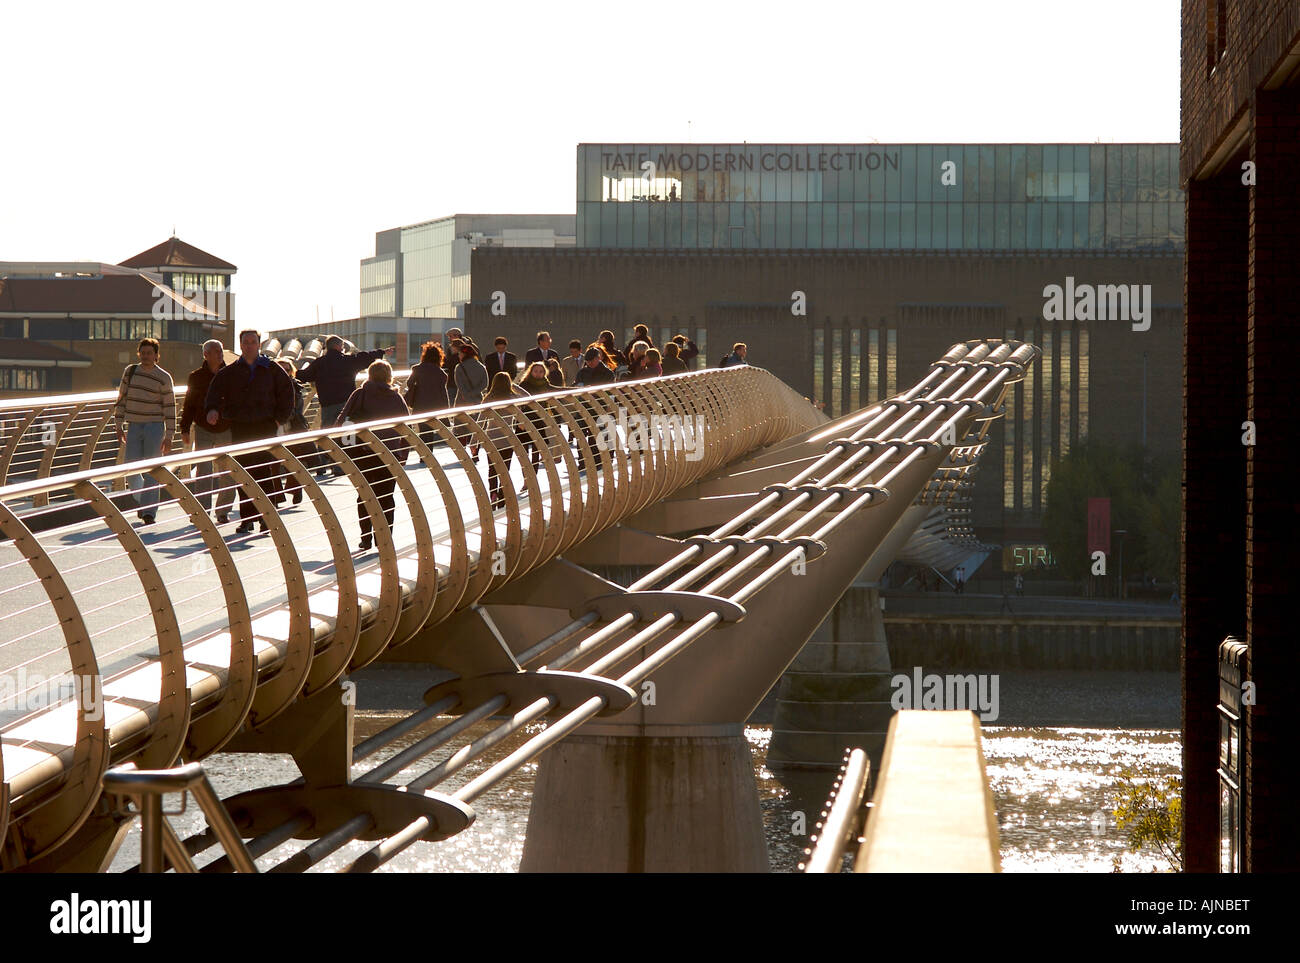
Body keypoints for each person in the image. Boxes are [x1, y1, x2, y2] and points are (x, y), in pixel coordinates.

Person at [204, 329, 294, 534]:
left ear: (259, 345)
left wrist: (280, 418)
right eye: (246, 342)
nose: (249, 345)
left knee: (262, 472)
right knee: (243, 473)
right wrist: (212, 410)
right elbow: (214, 393)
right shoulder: (231, 372)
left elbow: (287, 393)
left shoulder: (272, 369)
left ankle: (266, 518)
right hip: (241, 426)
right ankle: (247, 519)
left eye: (253, 342)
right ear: (241, 345)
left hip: (265, 425)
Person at [336, 360, 411, 552]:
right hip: (389, 454)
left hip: (363, 452)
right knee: (386, 496)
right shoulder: (396, 398)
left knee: (365, 495)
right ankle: (384, 539)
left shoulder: (360, 394)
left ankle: (366, 537)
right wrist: (403, 453)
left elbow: (341, 421)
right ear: (389, 376)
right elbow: (406, 428)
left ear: (369, 375)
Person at [297, 335, 392, 478]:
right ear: (339, 346)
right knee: (345, 437)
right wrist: (382, 352)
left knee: (326, 435)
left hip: (327, 404)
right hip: (347, 405)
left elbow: (304, 376)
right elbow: (365, 357)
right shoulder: (348, 361)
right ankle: (339, 466)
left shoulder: (319, 363)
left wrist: (292, 371)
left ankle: (320, 465)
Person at [113, 337, 176, 525]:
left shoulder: (164, 377)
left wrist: (170, 436)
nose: (146, 356)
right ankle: (143, 501)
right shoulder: (130, 372)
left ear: (157, 356)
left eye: (150, 353)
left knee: (151, 471)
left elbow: (170, 407)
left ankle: (149, 512)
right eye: (143, 353)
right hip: (134, 425)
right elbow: (121, 399)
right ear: (139, 354)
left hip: (155, 427)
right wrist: (118, 424)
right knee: (130, 468)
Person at [181, 339, 234, 523]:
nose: (219, 354)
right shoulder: (196, 377)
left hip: (226, 428)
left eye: (220, 351)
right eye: (215, 352)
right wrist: (185, 427)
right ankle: (202, 512)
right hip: (203, 428)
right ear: (206, 355)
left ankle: (223, 511)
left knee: (227, 471)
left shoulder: (230, 374)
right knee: (203, 470)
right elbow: (189, 404)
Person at [479, 371, 528, 509]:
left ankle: (493, 493)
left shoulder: (488, 398)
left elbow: (481, 420)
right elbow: (527, 397)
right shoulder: (511, 397)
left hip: (491, 439)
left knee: (492, 469)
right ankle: (501, 496)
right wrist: (514, 386)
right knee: (505, 470)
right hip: (507, 439)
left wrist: (474, 442)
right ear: (508, 383)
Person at [270, 359, 313, 506]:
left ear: (291, 371)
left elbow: (297, 411)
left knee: (294, 460)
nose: (284, 373)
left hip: (291, 428)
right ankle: (276, 496)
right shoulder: (268, 386)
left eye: (287, 370)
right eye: (280, 369)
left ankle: (296, 488)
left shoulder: (296, 387)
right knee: (273, 464)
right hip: (274, 429)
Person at [453, 341, 489, 455]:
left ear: (464, 354)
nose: (458, 356)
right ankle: (475, 452)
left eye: (459, 353)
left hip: (462, 401)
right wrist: (474, 393)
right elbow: (485, 384)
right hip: (477, 401)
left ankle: (463, 454)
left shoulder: (459, 367)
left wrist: (466, 394)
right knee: (476, 428)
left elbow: (459, 384)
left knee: (461, 428)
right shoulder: (481, 367)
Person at [517, 361, 553, 472]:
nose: (538, 373)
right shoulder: (524, 385)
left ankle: (534, 477)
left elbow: (558, 389)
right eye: (536, 371)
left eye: (541, 371)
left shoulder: (545, 384)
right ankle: (526, 478)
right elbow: (518, 403)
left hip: (538, 420)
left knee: (537, 451)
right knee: (523, 453)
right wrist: (520, 419)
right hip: (525, 420)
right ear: (530, 371)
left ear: (544, 373)